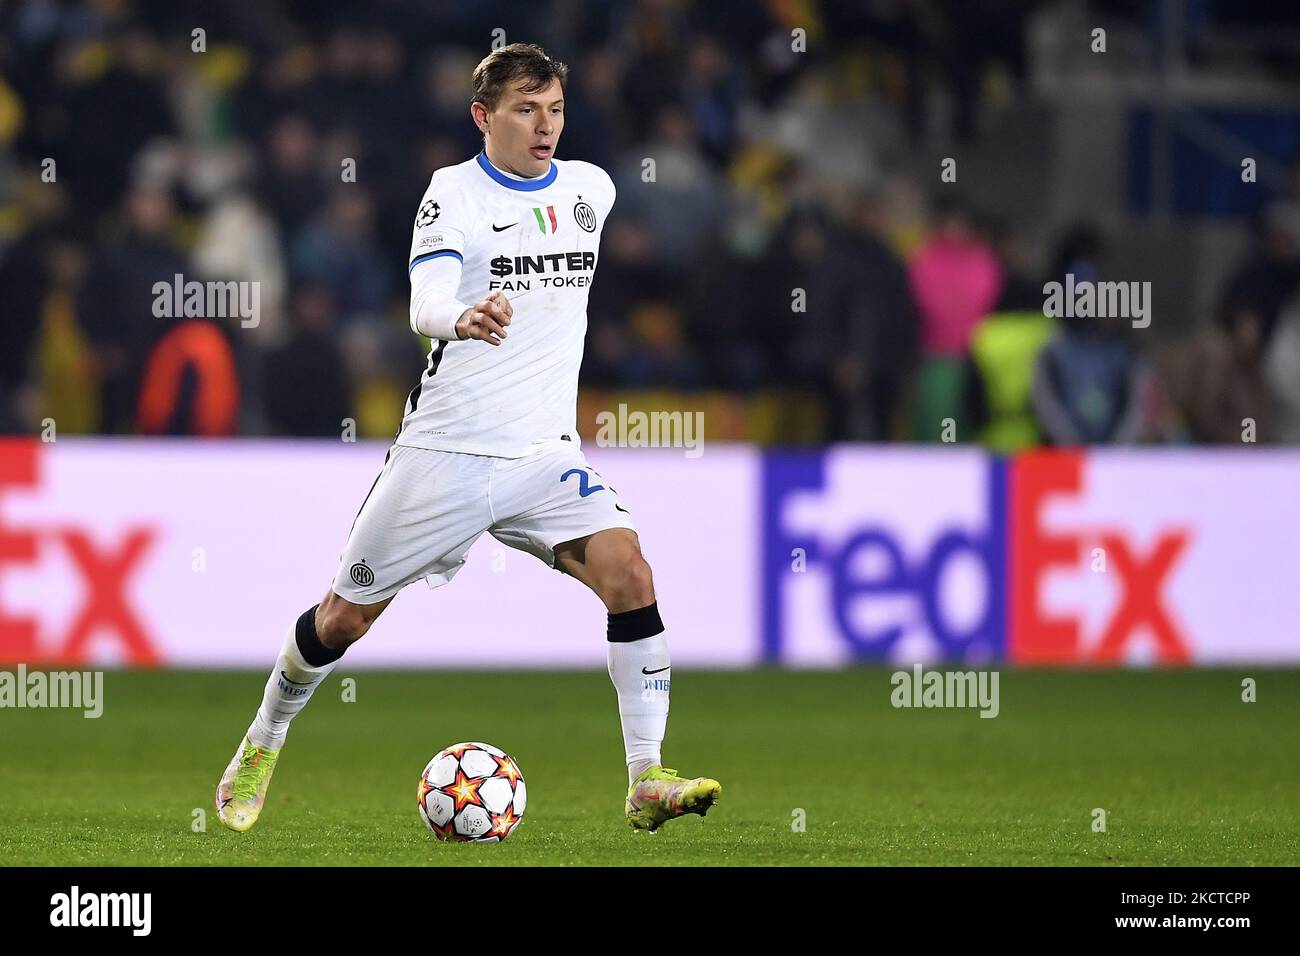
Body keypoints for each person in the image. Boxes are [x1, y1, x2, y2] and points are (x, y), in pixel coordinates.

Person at [215, 43, 720, 837]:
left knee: (632, 574)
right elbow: (424, 301)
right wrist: (463, 317)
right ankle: (262, 741)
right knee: (343, 620)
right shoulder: (453, 194)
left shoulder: (593, 189)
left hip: (545, 455)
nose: (545, 125)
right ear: (484, 117)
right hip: (445, 452)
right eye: (526, 109)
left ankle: (646, 777)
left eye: (554, 108)